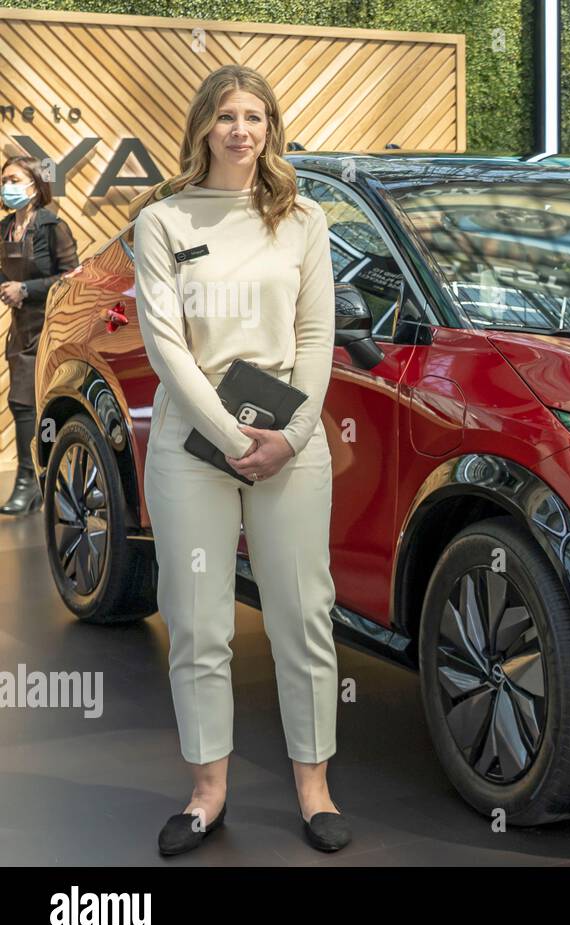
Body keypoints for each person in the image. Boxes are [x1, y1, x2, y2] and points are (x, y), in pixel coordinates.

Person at [132, 64, 349, 855]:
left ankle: (315, 791)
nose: (240, 130)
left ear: (271, 128)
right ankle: (206, 792)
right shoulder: (162, 219)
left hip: (291, 439)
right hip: (197, 444)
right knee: (197, 624)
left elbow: (318, 337)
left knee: (303, 618)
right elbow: (166, 344)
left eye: (254, 115)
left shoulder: (302, 219)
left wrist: (289, 437)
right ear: (203, 128)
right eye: (226, 115)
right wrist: (233, 438)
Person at [0, 155, 79, 515]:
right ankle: (30, 483)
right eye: (5, 180)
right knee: (21, 407)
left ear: (35, 185)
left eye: (15, 179)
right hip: (20, 332)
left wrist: (27, 289)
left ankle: (49, 482)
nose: (8, 186)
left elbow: (71, 278)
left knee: (45, 410)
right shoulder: (4, 228)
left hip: (51, 330)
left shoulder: (51, 227)